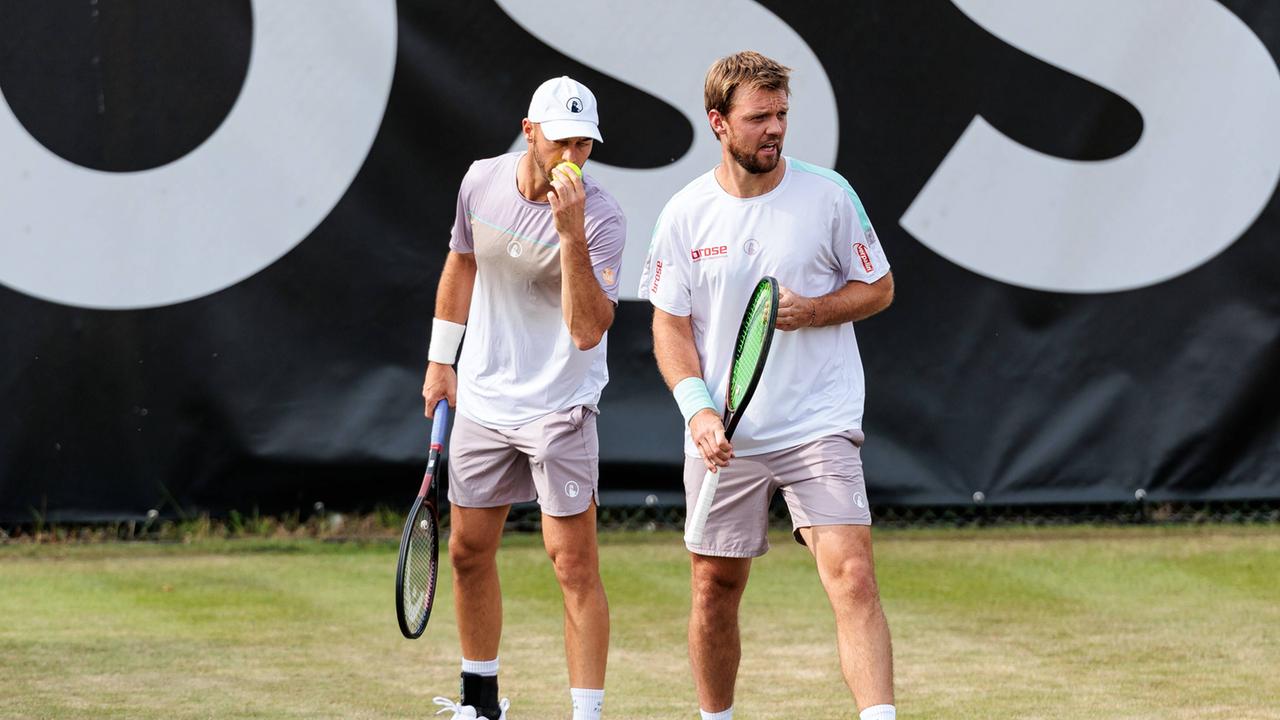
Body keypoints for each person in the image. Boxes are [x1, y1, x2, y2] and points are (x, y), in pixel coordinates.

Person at [639, 51, 897, 720]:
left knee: (852, 573)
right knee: (713, 587)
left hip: (819, 422)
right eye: (759, 118)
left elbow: (880, 287)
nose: (774, 129)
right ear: (719, 122)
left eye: (782, 114)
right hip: (726, 436)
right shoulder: (685, 214)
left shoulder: (830, 196)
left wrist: (814, 311)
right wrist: (697, 411)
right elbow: (668, 328)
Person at [422, 75, 624, 720]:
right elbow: (462, 262)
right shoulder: (480, 181)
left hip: (560, 407)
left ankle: (585, 715)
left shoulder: (604, 216)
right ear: (529, 131)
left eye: (584, 145)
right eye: (561, 140)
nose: (573, 155)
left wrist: (570, 233)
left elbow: (588, 328)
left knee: (572, 566)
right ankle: (480, 703)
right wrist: (440, 361)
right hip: (482, 399)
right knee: (465, 551)